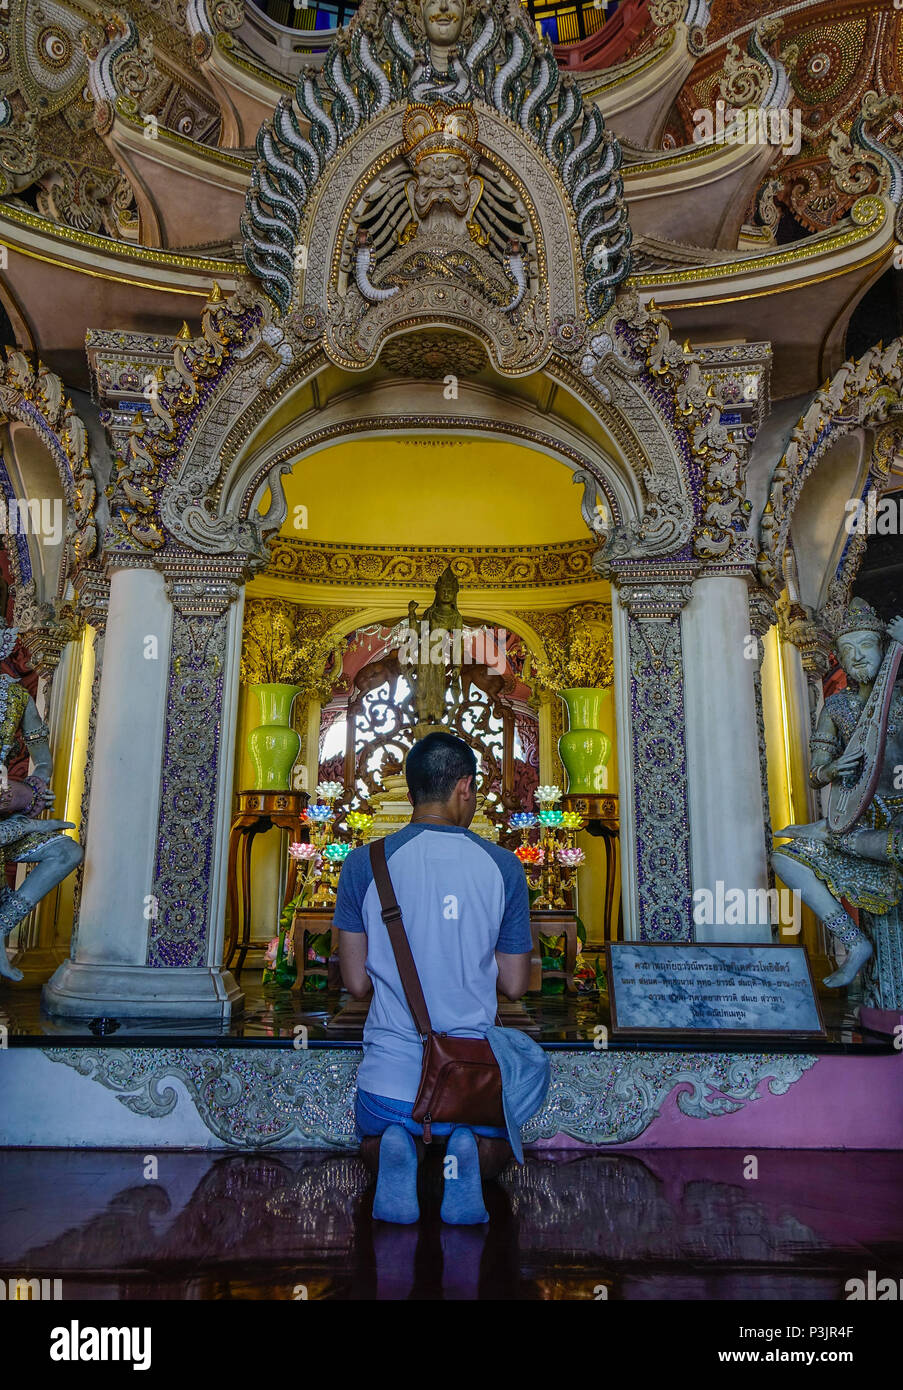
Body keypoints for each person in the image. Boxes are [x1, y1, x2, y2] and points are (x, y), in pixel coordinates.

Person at [335, 731, 533, 1225]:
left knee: (374, 1141)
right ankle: (465, 1150)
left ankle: (397, 1147)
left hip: (390, 1074)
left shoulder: (365, 863)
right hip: (470, 1074)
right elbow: (514, 983)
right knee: (499, 1149)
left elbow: (356, 983)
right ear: (464, 787)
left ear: (409, 790)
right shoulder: (503, 867)